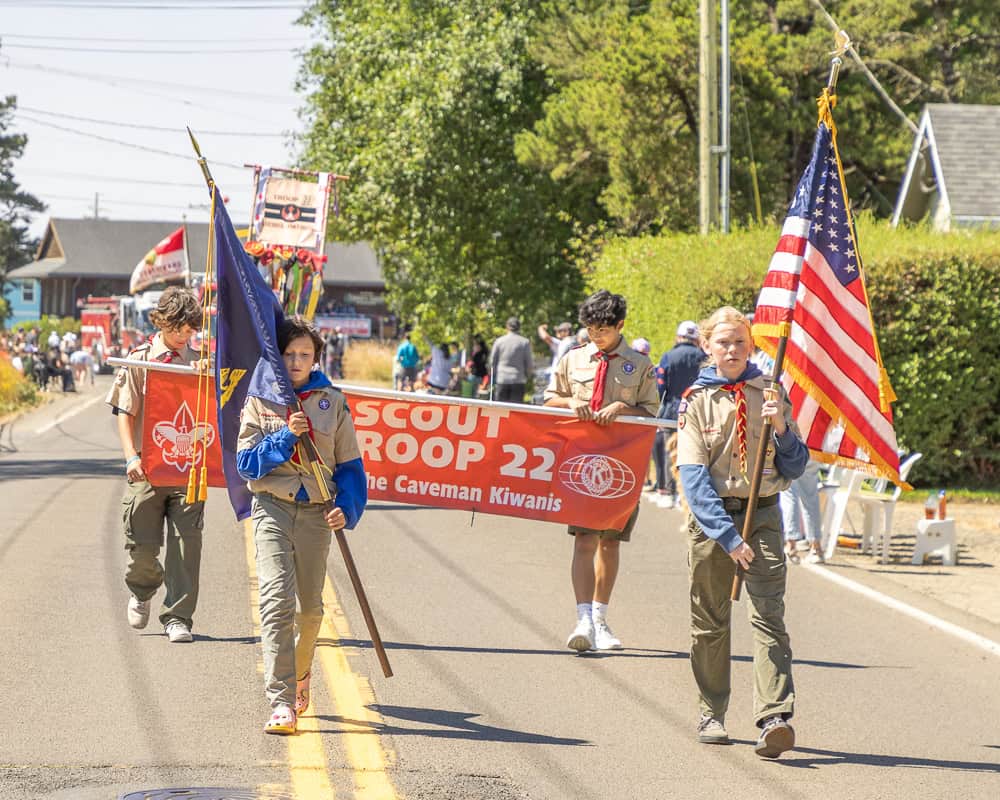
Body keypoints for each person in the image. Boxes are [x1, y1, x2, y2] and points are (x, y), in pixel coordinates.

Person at [676, 306, 808, 758]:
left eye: (740, 342)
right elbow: (692, 478)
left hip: (764, 515)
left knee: (769, 614)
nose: (732, 350)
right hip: (714, 524)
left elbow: (794, 464)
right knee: (710, 621)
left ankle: (774, 716)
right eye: (723, 342)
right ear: (708, 346)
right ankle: (711, 711)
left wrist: (781, 426)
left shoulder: (770, 392)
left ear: (752, 345)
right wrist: (729, 539)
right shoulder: (696, 400)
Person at [236, 316, 367, 735]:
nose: (296, 361)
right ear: (277, 357)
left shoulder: (332, 401)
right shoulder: (260, 401)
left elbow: (350, 467)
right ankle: (281, 700)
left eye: (304, 355)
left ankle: (301, 671)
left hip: (315, 513)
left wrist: (345, 508)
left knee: (309, 611)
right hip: (271, 506)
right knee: (275, 602)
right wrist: (284, 438)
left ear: (316, 359)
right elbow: (245, 463)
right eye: (289, 354)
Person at [544, 290, 659, 651]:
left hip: (623, 464)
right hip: (581, 462)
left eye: (603, 330)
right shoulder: (573, 359)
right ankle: (582, 620)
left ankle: (600, 617)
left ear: (620, 325)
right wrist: (571, 401)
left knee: (610, 543)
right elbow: (549, 399)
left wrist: (622, 408)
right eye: (591, 329)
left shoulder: (639, 365)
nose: (596, 336)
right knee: (584, 540)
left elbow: (654, 413)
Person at [105, 287, 207, 644]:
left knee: (186, 546)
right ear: (163, 322)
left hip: (187, 469)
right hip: (147, 468)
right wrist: (130, 455)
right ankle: (142, 590)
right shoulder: (141, 358)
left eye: (191, 329)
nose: (185, 335)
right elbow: (124, 411)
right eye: (179, 328)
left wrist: (210, 375)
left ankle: (178, 617)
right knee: (142, 548)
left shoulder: (200, 360)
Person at [650, 321, 704, 509]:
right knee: (694, 454)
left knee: (669, 452)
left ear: (678, 337)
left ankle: (669, 492)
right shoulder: (704, 358)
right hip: (698, 412)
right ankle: (687, 496)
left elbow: (660, 386)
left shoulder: (668, 356)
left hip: (672, 411)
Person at [780, 460, 825, 564]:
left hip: (792, 449)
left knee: (789, 495)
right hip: (812, 450)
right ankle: (816, 548)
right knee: (810, 497)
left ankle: (791, 546)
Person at [490, 317, 533, 403]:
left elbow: (492, 361)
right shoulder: (525, 342)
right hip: (518, 379)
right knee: (515, 411)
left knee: (500, 409)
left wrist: (493, 376)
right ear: (519, 327)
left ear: (507, 327)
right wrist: (528, 376)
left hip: (502, 379)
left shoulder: (499, 341)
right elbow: (529, 363)